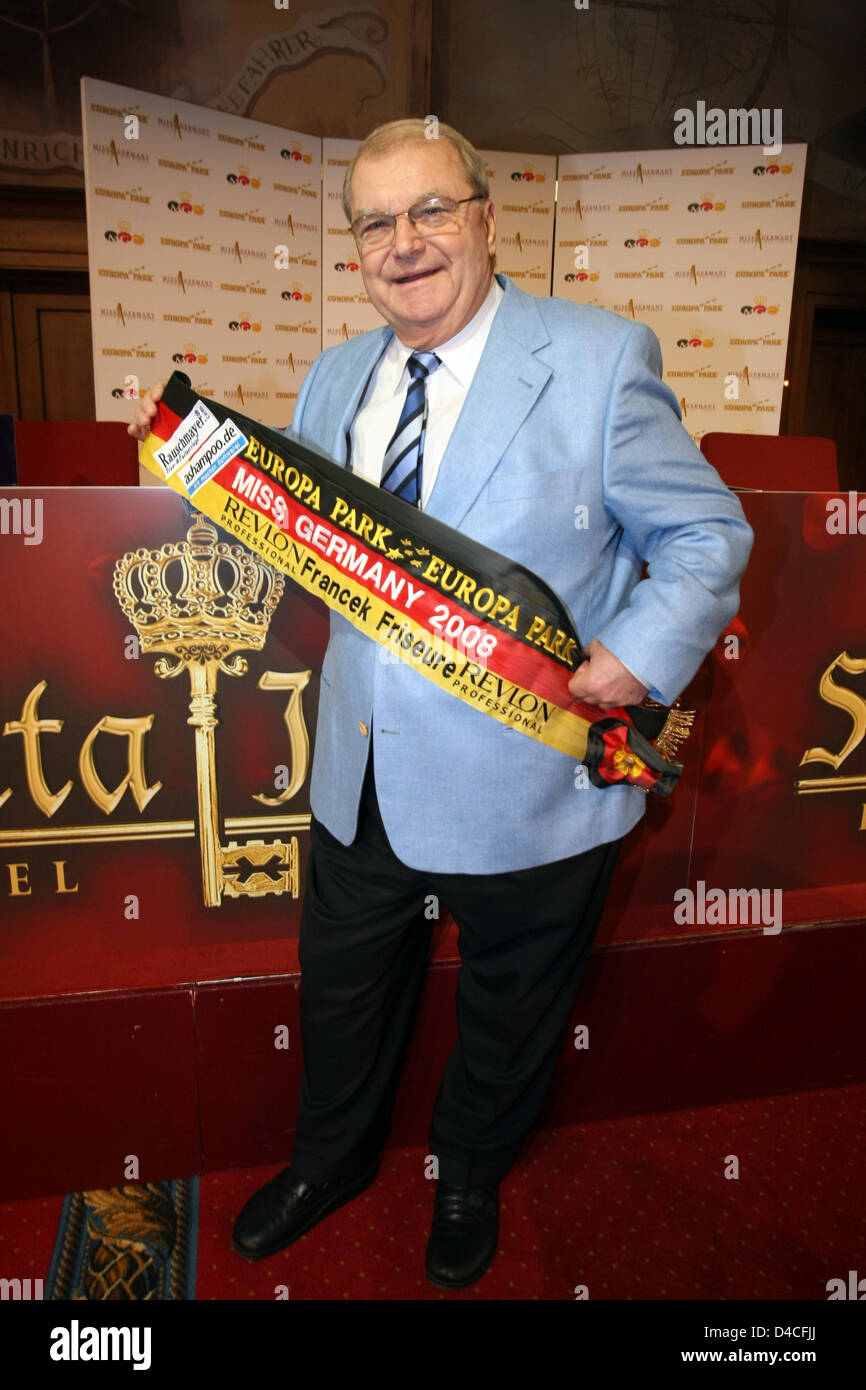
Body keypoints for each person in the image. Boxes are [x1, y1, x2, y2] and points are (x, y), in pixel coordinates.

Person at [129, 118, 753, 1292]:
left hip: (533, 780)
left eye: (428, 211)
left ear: (481, 217)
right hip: (361, 775)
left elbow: (706, 531)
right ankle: (331, 1161)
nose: (403, 242)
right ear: (354, 244)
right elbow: (306, 547)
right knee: (342, 998)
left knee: (515, 1012)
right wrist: (195, 476)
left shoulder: (599, 355)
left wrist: (635, 650)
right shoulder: (333, 373)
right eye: (375, 221)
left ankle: (468, 1169)